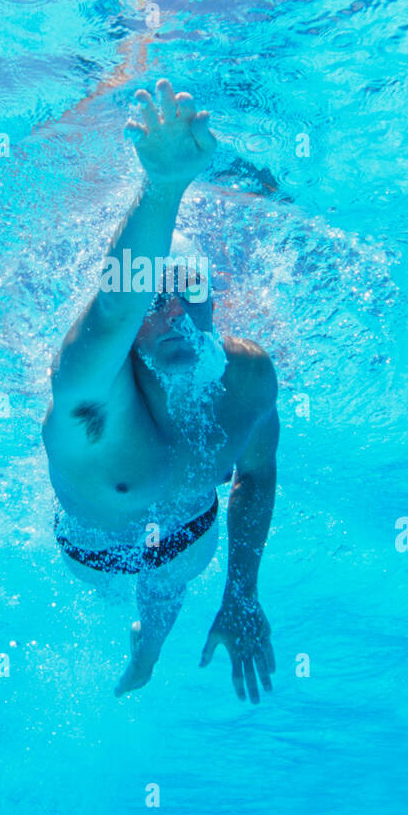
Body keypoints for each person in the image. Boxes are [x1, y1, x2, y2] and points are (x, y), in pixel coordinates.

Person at [41, 77, 279, 701]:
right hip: (97, 553)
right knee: (133, 591)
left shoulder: (249, 379)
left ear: (210, 299)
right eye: (152, 297)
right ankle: (142, 649)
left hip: (190, 535)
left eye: (186, 293)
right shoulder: (89, 398)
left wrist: (242, 593)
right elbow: (115, 312)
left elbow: (257, 473)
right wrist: (166, 186)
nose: (169, 312)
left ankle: (148, 650)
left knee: (167, 595)